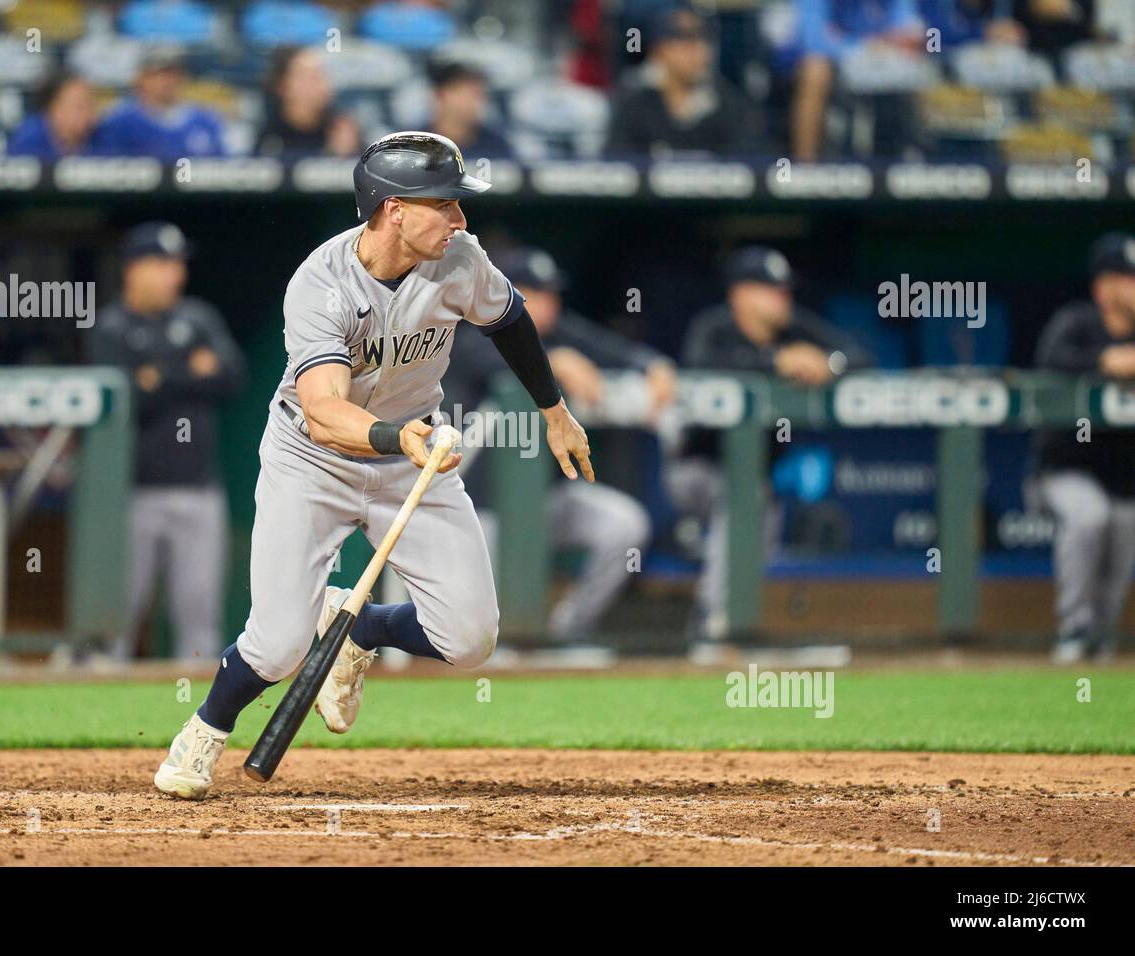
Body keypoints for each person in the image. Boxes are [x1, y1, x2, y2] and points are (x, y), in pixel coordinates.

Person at [154, 132, 595, 799]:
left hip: (409, 458)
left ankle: (360, 626)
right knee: (278, 646)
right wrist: (397, 437)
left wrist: (553, 411)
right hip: (314, 460)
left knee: (471, 638)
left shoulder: (461, 259)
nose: (460, 219)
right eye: (445, 204)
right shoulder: (320, 285)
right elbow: (326, 409)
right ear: (394, 209)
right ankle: (206, 729)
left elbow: (509, 320)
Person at [443, 246, 675, 642]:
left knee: (625, 525)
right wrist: (555, 362)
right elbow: (498, 360)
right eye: (533, 292)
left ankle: (568, 631)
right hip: (481, 510)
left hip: (545, 503)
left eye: (551, 293)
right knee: (476, 607)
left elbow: (617, 351)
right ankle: (484, 648)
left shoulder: (559, 332)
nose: (546, 304)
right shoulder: (469, 335)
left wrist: (652, 366)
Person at [669, 246, 870, 652]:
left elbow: (859, 356)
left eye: (784, 290)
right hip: (693, 470)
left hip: (755, 478)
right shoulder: (714, 328)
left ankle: (728, 619)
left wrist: (828, 365)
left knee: (757, 503)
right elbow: (702, 365)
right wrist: (775, 361)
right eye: (770, 289)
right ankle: (712, 619)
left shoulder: (795, 329)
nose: (783, 298)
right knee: (746, 498)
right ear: (740, 294)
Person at [89, 223, 245, 663]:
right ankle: (92, 722)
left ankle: (199, 722)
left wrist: (160, 373)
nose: (174, 274)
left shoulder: (198, 317)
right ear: (134, 270)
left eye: (177, 265)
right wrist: (190, 370)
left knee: (199, 619)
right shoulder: (112, 327)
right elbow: (130, 399)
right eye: (163, 264)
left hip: (199, 489)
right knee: (117, 616)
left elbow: (233, 377)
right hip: (131, 494)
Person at [1034, 232, 1135, 663]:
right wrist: (1104, 361)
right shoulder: (1076, 323)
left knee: (1125, 524)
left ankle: (1099, 635)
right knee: (1090, 514)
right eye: (1127, 278)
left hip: (1125, 479)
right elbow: (1050, 361)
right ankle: (1074, 630)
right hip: (1062, 471)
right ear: (1103, 287)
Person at [606, 4, 763, 157]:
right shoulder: (635, 104)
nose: (698, 49)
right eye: (684, 40)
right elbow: (617, 167)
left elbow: (750, 166)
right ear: (658, 49)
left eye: (703, 39)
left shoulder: (731, 106)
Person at [790, 0, 923, 160]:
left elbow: (908, 31)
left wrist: (886, 46)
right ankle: (805, 166)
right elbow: (814, 41)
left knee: (920, 67)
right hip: (829, 61)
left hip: (877, 59)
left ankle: (918, 162)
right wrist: (862, 47)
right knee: (815, 70)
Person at [95, 46, 226, 161]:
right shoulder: (120, 121)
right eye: (157, 75)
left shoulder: (204, 120)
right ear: (140, 78)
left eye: (171, 74)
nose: (165, 82)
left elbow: (221, 167)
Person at [256, 45, 361, 157]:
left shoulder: (343, 129)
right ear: (282, 85)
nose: (322, 83)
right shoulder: (266, 138)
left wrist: (345, 156)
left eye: (322, 74)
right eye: (310, 76)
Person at [427, 60, 514, 160]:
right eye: (463, 93)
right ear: (440, 95)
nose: (474, 102)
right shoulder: (413, 142)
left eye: (478, 94)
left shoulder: (497, 145)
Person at [8, 72, 103, 159]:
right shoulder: (27, 142)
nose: (89, 113)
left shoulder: (102, 137)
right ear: (53, 108)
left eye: (91, 105)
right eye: (79, 106)